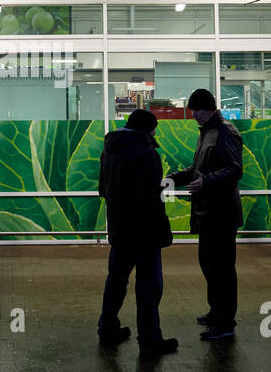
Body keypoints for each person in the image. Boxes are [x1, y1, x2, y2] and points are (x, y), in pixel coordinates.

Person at [98, 108, 176, 357]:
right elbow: (152, 198)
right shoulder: (146, 152)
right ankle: (150, 340)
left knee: (116, 281)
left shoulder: (109, 151)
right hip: (144, 232)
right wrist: (163, 230)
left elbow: (103, 189)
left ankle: (107, 329)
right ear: (148, 129)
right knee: (148, 286)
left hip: (119, 228)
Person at [167, 89, 244, 342]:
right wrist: (173, 179)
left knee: (221, 268)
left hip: (222, 213)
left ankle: (225, 322)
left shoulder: (224, 132)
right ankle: (216, 311)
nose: (194, 115)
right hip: (209, 212)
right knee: (209, 264)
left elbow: (234, 169)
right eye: (192, 110)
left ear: (210, 108)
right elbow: (197, 168)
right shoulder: (207, 133)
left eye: (198, 110)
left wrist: (207, 182)